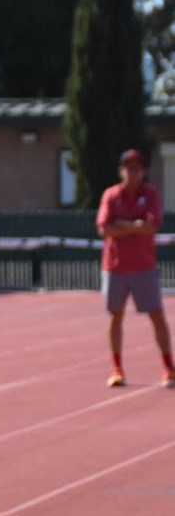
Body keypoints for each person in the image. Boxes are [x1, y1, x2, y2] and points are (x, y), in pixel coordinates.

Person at [95, 148, 174, 388]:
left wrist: (124, 225)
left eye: (137, 168)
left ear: (144, 171)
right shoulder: (111, 195)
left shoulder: (150, 195)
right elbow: (104, 228)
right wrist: (135, 225)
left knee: (156, 315)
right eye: (128, 168)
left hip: (143, 266)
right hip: (115, 267)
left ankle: (168, 367)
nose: (132, 173)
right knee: (115, 316)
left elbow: (151, 226)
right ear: (121, 171)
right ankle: (117, 368)